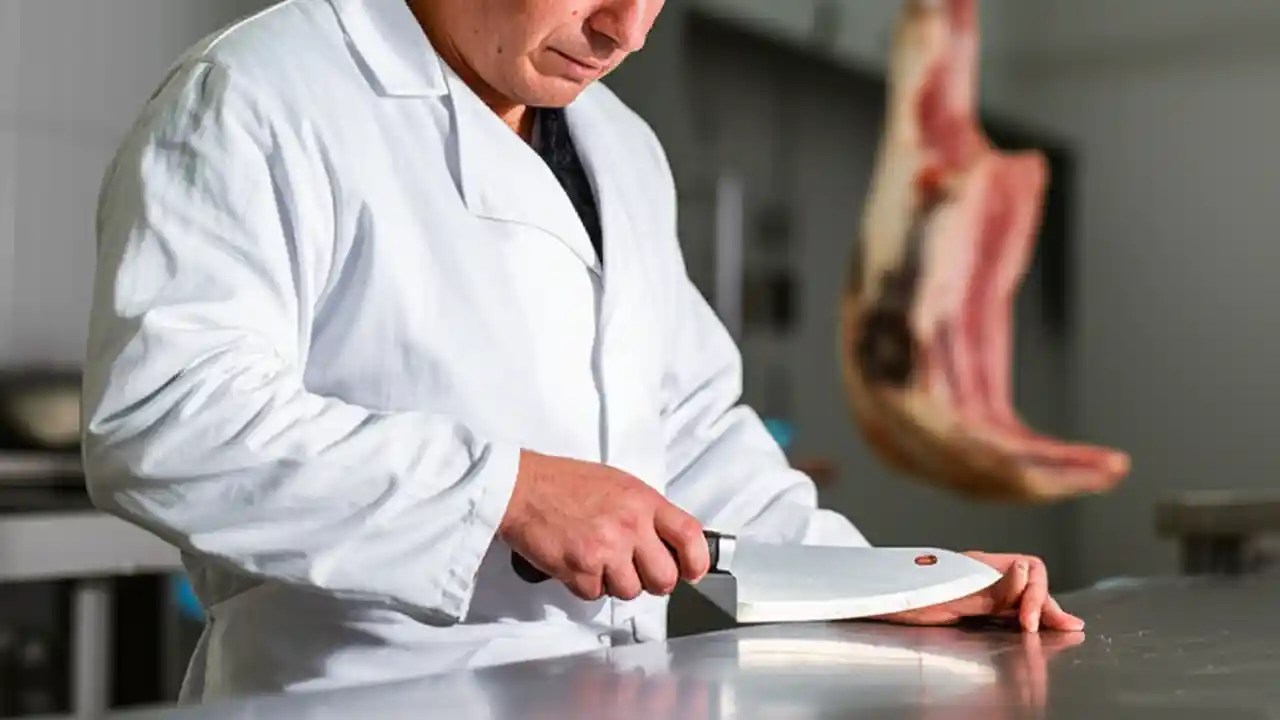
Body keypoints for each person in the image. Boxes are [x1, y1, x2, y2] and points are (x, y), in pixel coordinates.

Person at [83, 0, 1083, 703]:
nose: (626, 28)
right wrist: (508, 493)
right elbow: (165, 420)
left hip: (600, 697)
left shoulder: (617, 144)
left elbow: (690, 439)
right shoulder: (264, 93)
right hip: (358, 695)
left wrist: (881, 587)